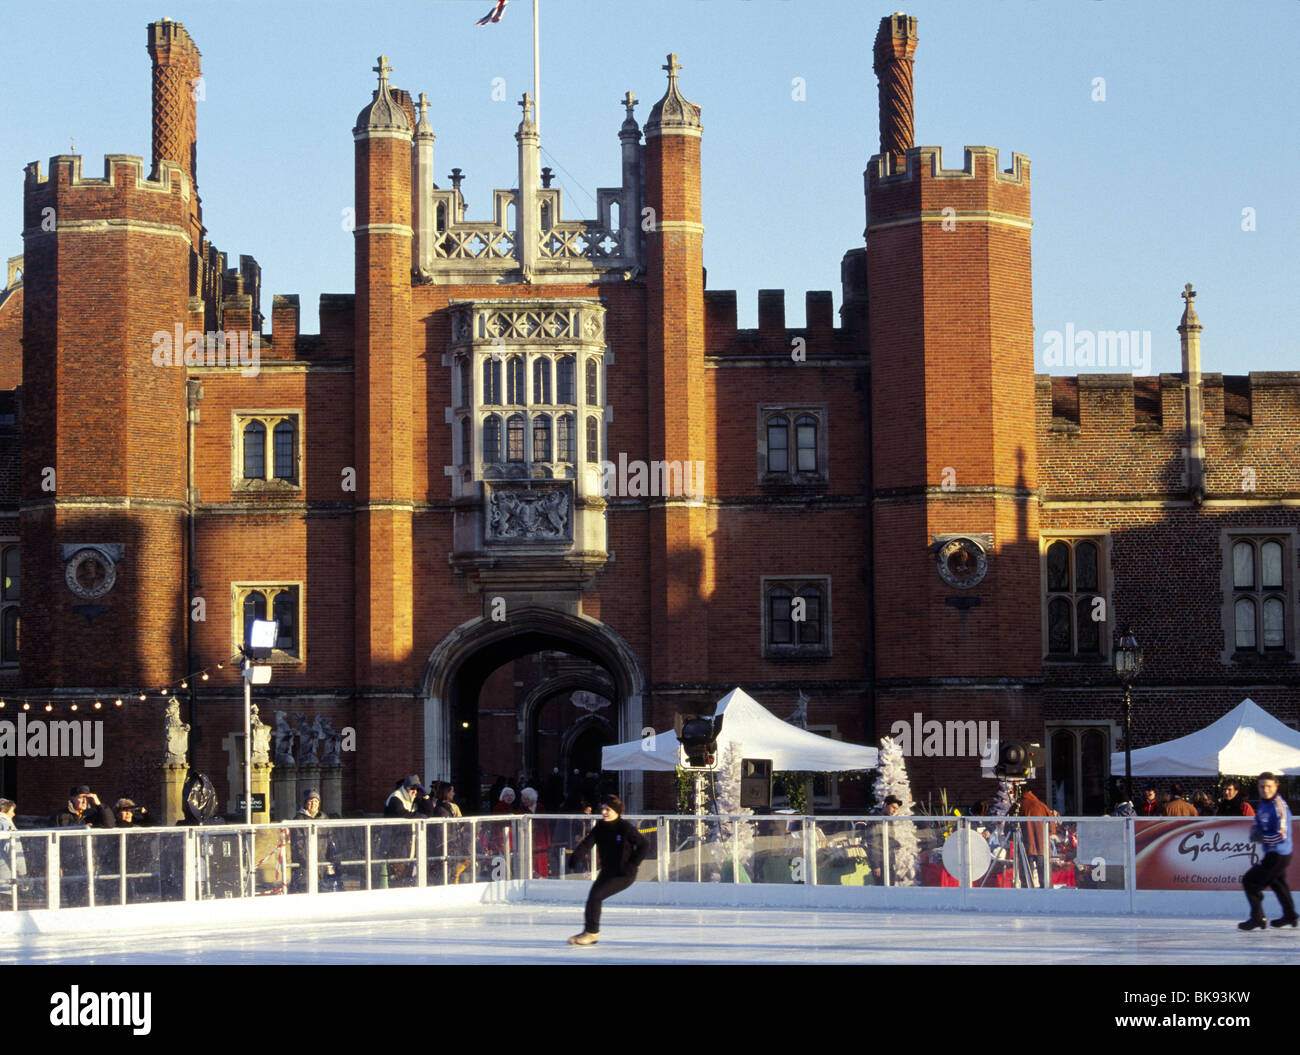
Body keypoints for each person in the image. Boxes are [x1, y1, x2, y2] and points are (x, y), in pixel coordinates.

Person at [565, 795, 646, 946]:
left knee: (596, 896)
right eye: (602, 808)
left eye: (607, 809)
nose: (604, 811)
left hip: (623, 874)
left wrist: (633, 864)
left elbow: (644, 845)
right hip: (607, 871)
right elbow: (587, 843)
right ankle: (589, 931)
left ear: (616, 811)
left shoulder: (625, 827)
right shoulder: (601, 827)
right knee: (592, 899)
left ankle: (592, 933)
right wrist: (575, 857)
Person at [1240, 772, 1295, 930]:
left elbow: (1281, 835)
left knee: (1250, 882)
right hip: (1273, 853)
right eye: (1262, 786)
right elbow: (1259, 821)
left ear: (1276, 786)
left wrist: (1262, 837)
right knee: (1278, 883)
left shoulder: (1278, 806)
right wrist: (1256, 829)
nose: (1265, 790)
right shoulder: (1263, 803)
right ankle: (1290, 915)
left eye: (1269, 786)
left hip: (1279, 854)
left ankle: (1257, 918)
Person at [1018, 788, 1055, 888]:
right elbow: (1052, 828)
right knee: (1045, 879)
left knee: (1026, 879)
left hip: (1026, 846)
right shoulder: (1042, 805)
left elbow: (1011, 825)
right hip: (1042, 846)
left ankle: (1027, 898)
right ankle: (1046, 899)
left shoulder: (1020, 806)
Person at [51, 785, 116, 828]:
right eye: (81, 797)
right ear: (73, 798)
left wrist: (99, 805)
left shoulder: (92, 814)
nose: (84, 801)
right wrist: (81, 828)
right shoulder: (60, 815)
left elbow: (110, 824)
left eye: (87, 798)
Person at [0, 798, 26, 900]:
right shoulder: (6, 825)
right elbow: (14, 849)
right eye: (12, 811)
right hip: (4, 879)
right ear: (3, 811)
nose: (14, 814)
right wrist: (22, 871)